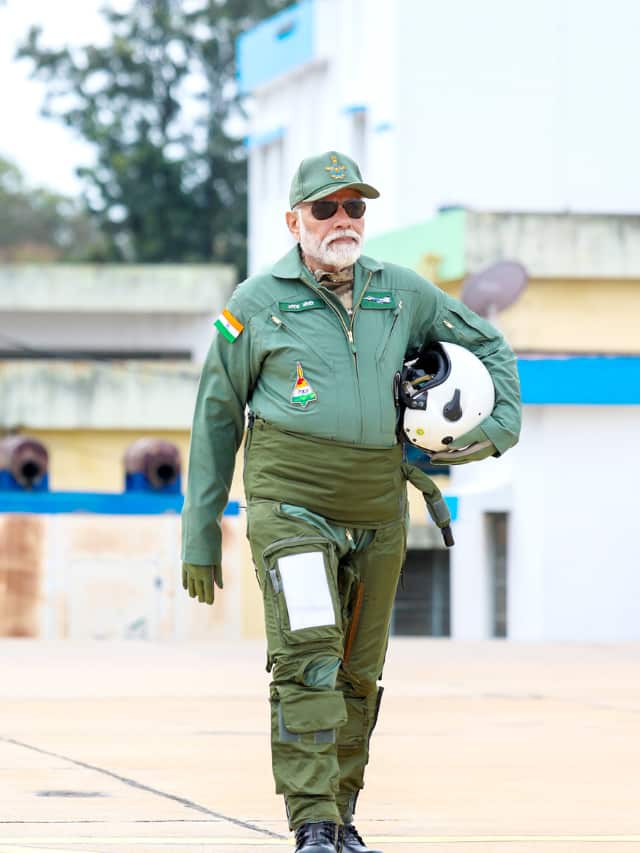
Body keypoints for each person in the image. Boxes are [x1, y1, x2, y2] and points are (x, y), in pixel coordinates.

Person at [181, 151, 521, 853]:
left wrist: (497, 428)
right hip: (290, 504)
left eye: (354, 207)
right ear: (293, 219)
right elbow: (216, 413)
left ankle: (341, 811)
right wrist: (199, 527)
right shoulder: (250, 305)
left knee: (358, 672)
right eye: (326, 207)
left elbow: (489, 344)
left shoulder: (402, 293)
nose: (342, 220)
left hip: (377, 509)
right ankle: (312, 818)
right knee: (309, 654)